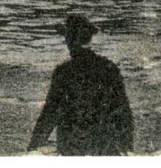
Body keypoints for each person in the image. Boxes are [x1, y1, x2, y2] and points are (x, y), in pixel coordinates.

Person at [28, 13, 133, 155]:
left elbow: (50, 112)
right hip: (103, 145)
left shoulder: (64, 71)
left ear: (69, 40)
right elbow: (123, 111)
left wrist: (33, 147)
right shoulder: (109, 68)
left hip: (72, 146)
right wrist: (126, 146)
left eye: (66, 37)